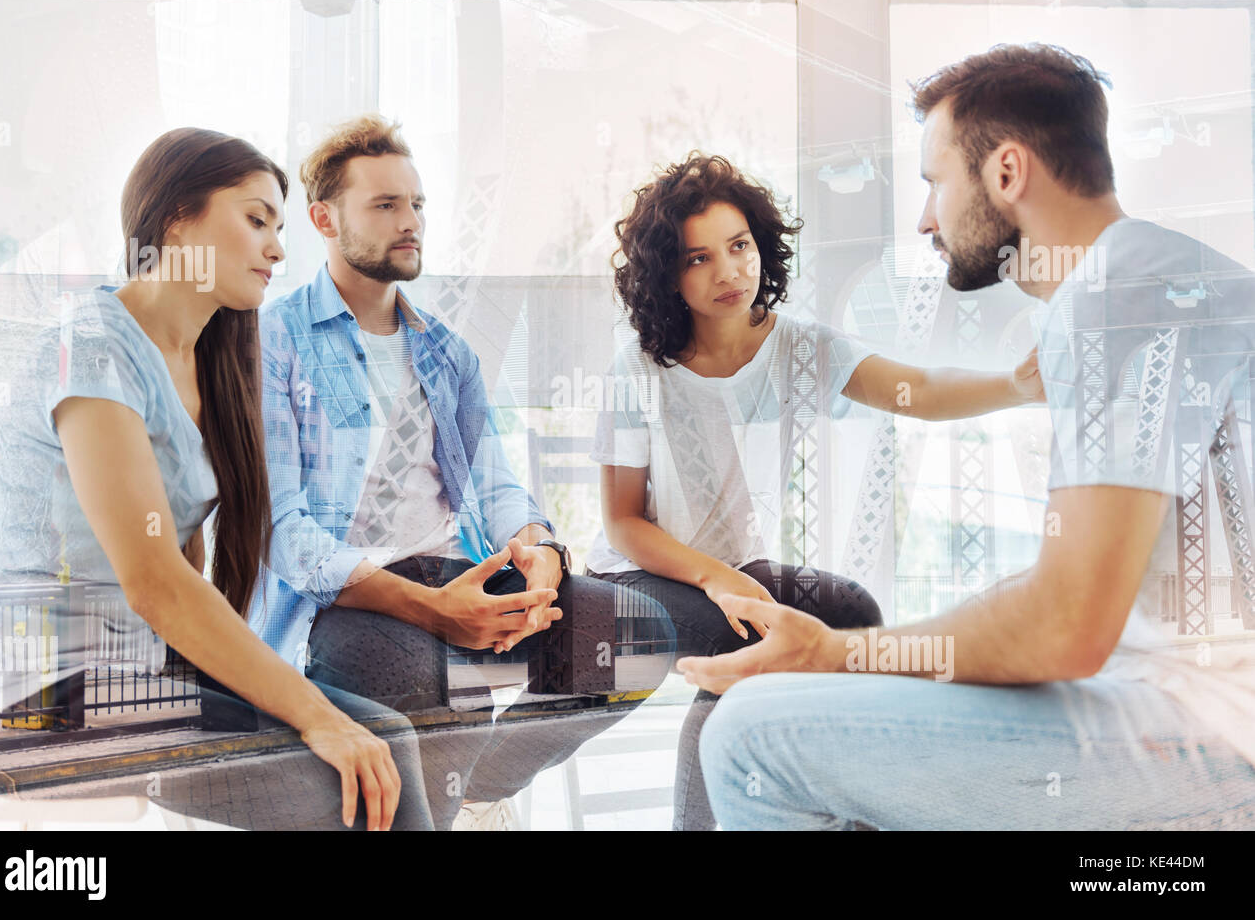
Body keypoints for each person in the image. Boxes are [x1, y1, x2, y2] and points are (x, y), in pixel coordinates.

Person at [684, 43, 1255, 829]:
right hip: (1181, 708)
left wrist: (833, 651)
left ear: (1007, 172)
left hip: (1212, 744)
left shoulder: (1118, 297)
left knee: (748, 737)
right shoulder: (1148, 276)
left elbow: (1064, 629)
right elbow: (1085, 599)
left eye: (934, 180)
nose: (925, 217)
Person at [0, 128, 428, 831]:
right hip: (36, 687)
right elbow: (156, 581)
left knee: (390, 739)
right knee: (350, 790)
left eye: (279, 226)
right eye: (254, 219)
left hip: (136, 673)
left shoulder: (211, 359)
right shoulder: (93, 346)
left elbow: (183, 551)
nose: (277, 248)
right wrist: (312, 715)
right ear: (177, 217)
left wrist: (281, 697)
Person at [588, 151, 1046, 829]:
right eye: (697, 258)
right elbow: (624, 522)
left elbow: (914, 390)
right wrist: (718, 578)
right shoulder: (638, 367)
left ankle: (852, 806)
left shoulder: (800, 349)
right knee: (744, 626)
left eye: (739, 246)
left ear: (761, 246)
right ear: (666, 274)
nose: (729, 271)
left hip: (743, 577)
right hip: (640, 574)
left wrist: (1015, 384)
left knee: (843, 610)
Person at [252, 114, 674, 830]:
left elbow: (495, 485)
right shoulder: (276, 338)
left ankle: (464, 784)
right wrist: (430, 610)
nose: (409, 221)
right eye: (384, 205)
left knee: (634, 634)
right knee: (415, 675)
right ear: (323, 218)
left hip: (458, 570)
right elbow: (282, 533)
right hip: (351, 599)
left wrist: (540, 549)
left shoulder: (447, 351)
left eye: (416, 204)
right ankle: (441, 790)